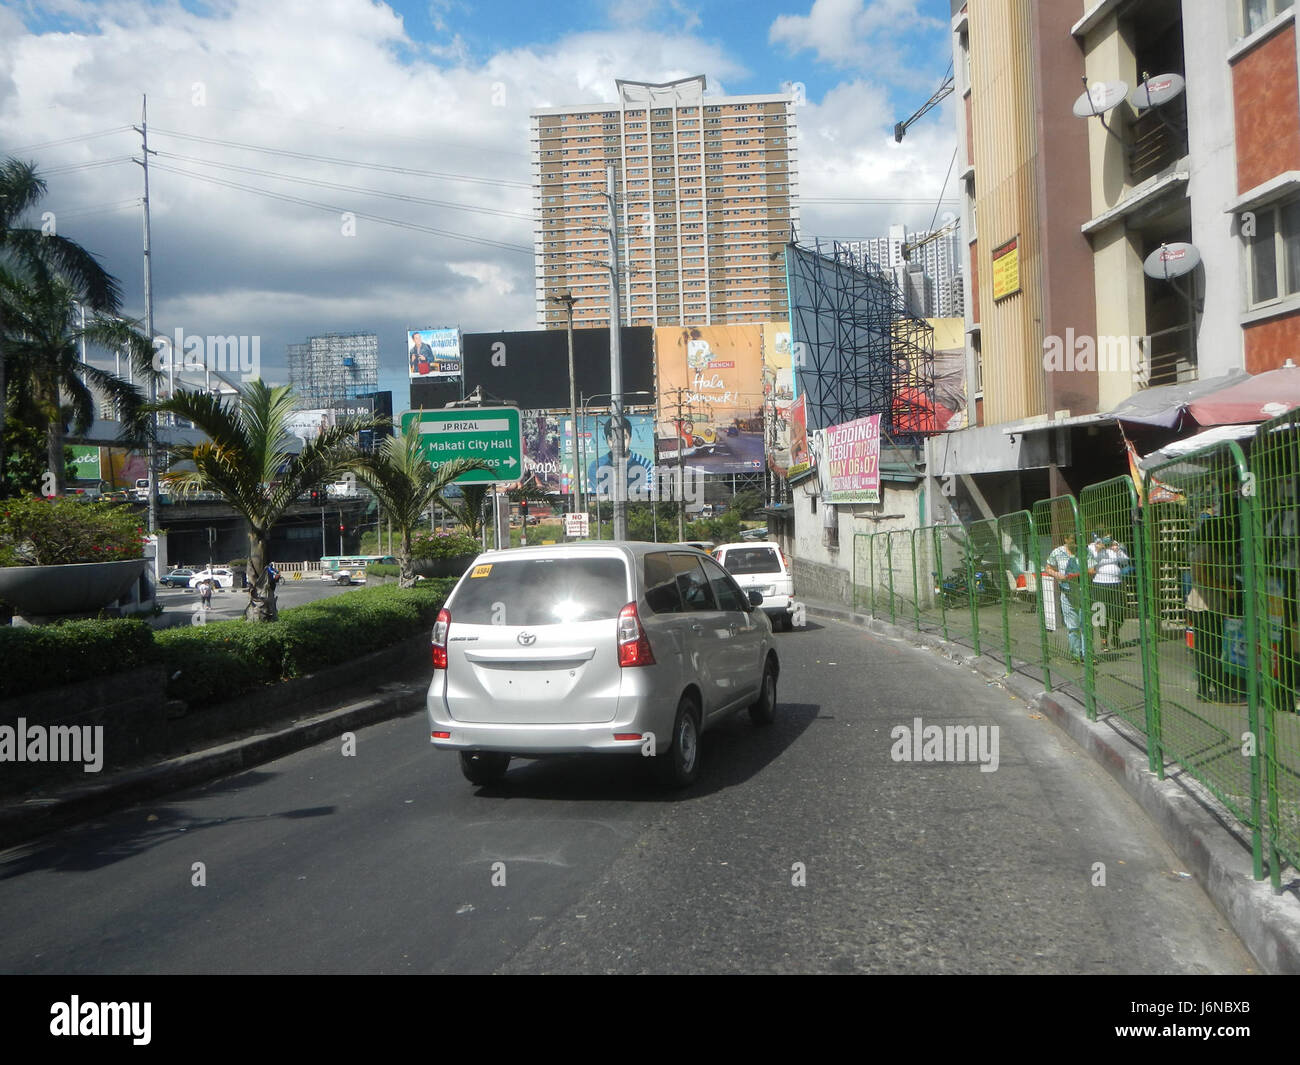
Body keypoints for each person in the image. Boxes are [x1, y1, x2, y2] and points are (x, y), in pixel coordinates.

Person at [1187, 516, 1243, 701]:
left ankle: (1205, 690)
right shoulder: (1205, 550)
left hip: (1212, 607)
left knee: (1207, 649)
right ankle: (1217, 689)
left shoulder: (1213, 550)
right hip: (1205, 608)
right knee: (1212, 650)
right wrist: (1226, 588)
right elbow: (1200, 575)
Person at [587, 416, 654, 499]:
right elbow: (596, 497)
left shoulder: (647, 465)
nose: (619, 444)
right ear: (607, 441)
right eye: (613, 439)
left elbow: (647, 496)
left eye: (624, 438)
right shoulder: (596, 466)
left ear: (630, 439)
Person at [1045, 532, 1084, 661]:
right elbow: (1048, 568)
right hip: (1066, 592)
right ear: (1066, 539)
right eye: (1072, 539)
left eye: (1077, 540)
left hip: (1082, 591)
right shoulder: (1057, 552)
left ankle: (1087, 655)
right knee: (1072, 626)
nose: (1075, 543)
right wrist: (1057, 575)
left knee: (1084, 624)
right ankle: (1075, 655)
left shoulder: (1083, 551)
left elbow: (1092, 569)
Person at [1089, 532, 1129, 651]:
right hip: (1100, 584)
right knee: (1102, 612)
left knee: (1119, 612)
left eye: (1109, 537)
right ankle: (1104, 639)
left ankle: (1115, 632)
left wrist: (1118, 550)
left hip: (1116, 583)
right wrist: (1097, 549)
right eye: (1105, 536)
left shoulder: (1114, 545)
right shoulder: (1092, 546)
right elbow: (1091, 561)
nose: (1108, 539)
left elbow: (1125, 561)